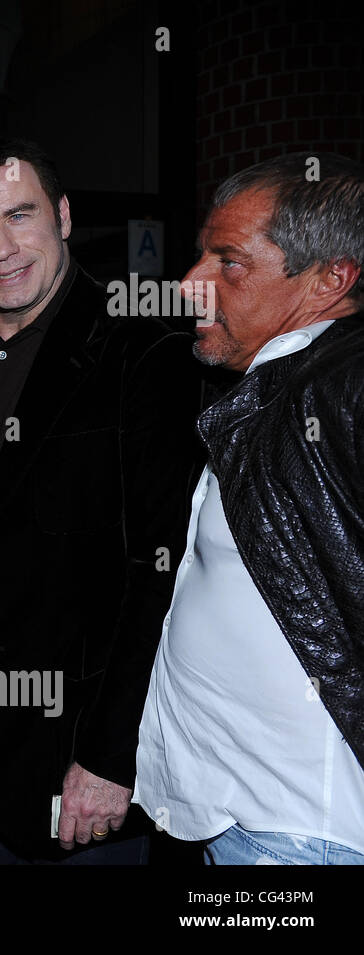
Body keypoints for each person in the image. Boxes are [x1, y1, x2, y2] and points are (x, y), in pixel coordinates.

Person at [0, 138, 204, 863]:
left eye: (20, 215)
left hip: (83, 733)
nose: (0, 247)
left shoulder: (142, 348)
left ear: (63, 216)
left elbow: (163, 571)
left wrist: (111, 755)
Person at [134, 153, 364, 866]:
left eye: (227, 261)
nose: (189, 282)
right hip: (253, 825)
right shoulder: (274, 390)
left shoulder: (340, 387)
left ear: (330, 278)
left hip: (303, 832)